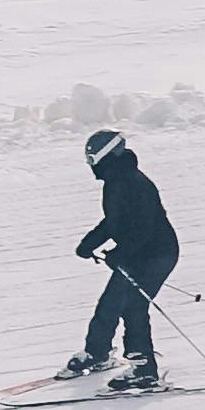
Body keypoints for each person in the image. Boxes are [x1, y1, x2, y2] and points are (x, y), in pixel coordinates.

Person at [64, 125, 178, 385]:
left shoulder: (134, 183)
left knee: (134, 306)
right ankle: (97, 353)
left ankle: (143, 369)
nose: (89, 164)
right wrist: (89, 243)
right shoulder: (117, 181)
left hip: (157, 254)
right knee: (110, 302)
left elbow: (143, 230)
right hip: (138, 254)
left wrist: (120, 254)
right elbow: (115, 221)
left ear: (105, 156)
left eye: (91, 159)